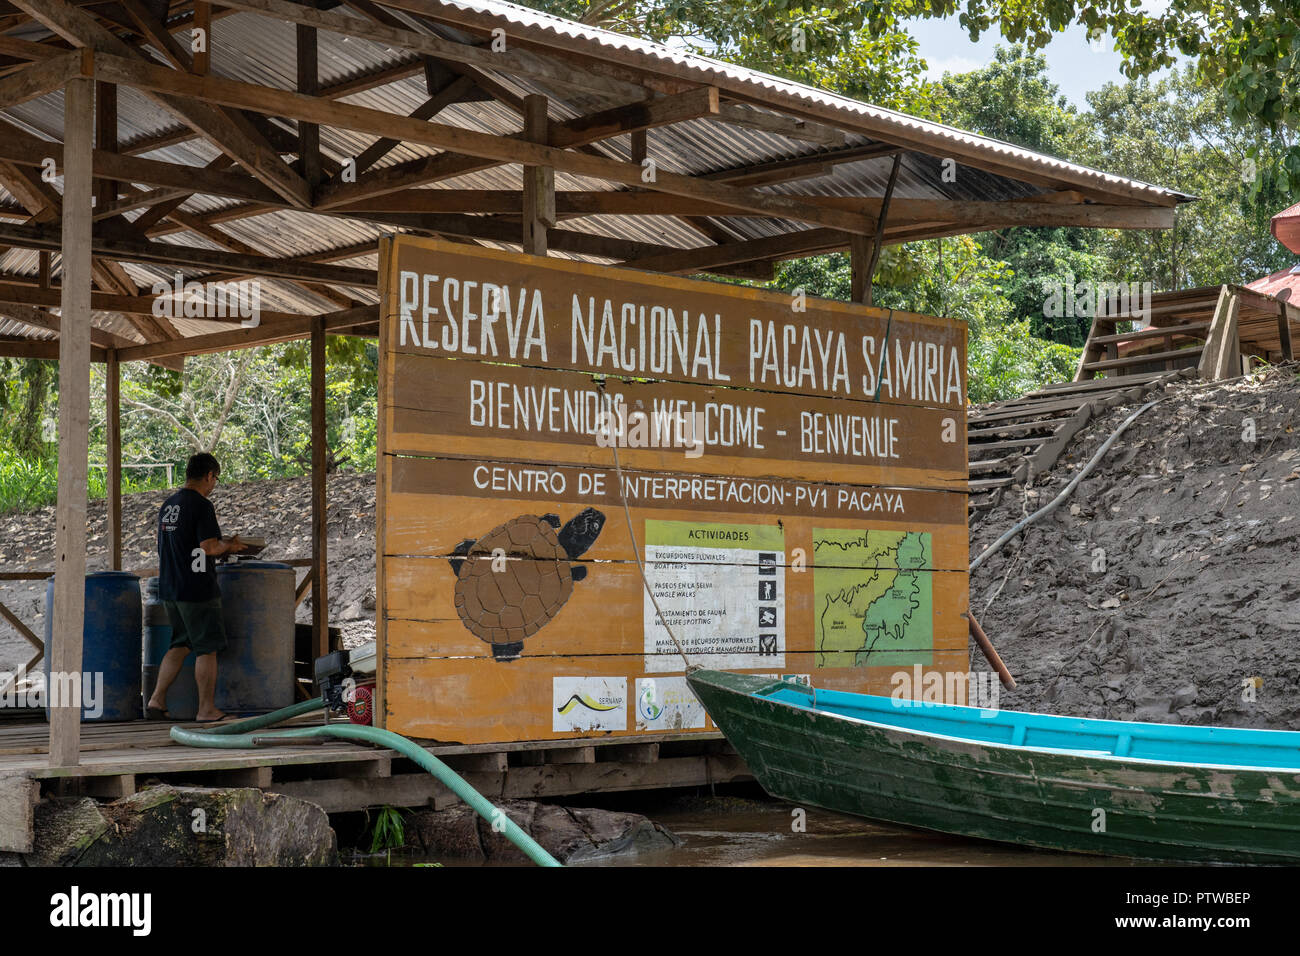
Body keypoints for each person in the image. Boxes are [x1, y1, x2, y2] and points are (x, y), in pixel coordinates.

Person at [146, 452, 247, 721]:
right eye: (216, 478)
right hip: (196, 588)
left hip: (169, 587)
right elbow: (209, 547)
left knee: (180, 643)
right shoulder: (202, 505)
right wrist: (231, 546)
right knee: (207, 647)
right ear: (209, 475)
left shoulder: (169, 505)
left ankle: (156, 700)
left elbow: (174, 545)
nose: (214, 484)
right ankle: (206, 709)